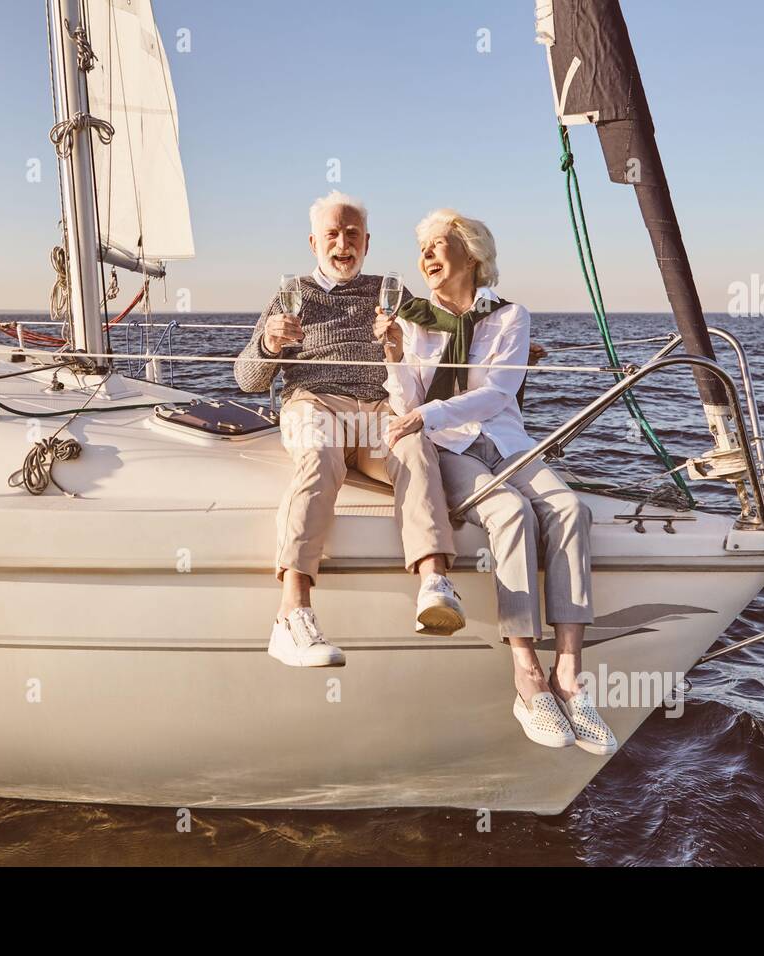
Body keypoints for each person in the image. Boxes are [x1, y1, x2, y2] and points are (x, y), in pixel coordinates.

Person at [377, 209, 616, 754]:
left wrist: (426, 414)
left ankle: (571, 675)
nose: (427, 257)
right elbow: (407, 404)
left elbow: (500, 391)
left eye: (440, 246)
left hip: (505, 440)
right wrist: (393, 355)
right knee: (510, 512)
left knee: (571, 510)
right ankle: (527, 674)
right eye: (424, 249)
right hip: (450, 446)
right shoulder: (413, 320)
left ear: (473, 255)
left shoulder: (509, 316)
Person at [234, 191, 465, 668]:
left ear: (367, 242)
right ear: (314, 242)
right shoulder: (291, 294)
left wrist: (508, 340)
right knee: (320, 458)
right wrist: (270, 344)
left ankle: (433, 583)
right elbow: (249, 381)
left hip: (379, 406)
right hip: (314, 401)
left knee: (416, 446)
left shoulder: (390, 291)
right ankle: (291, 615)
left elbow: (449, 324)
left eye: (353, 234)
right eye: (333, 234)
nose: (344, 243)